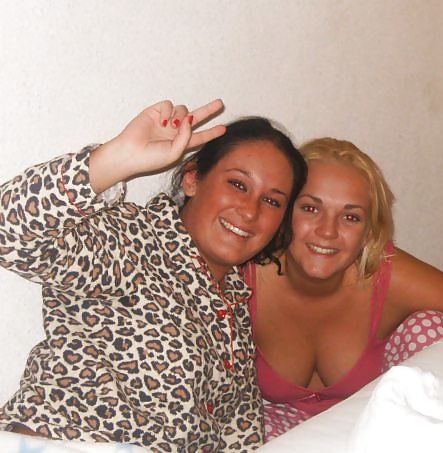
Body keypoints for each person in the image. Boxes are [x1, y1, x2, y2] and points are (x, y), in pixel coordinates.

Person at [0, 99, 307, 452]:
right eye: (238, 184)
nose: (250, 211)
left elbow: (240, 429)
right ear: (192, 179)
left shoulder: (233, 306)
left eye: (272, 201)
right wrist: (117, 159)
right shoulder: (136, 241)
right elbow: (9, 233)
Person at [242, 138, 443, 440]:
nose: (327, 231)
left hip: (381, 427)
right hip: (277, 432)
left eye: (350, 217)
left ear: (368, 234)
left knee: (433, 327)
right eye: (310, 208)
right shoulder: (242, 279)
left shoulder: (390, 275)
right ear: (284, 213)